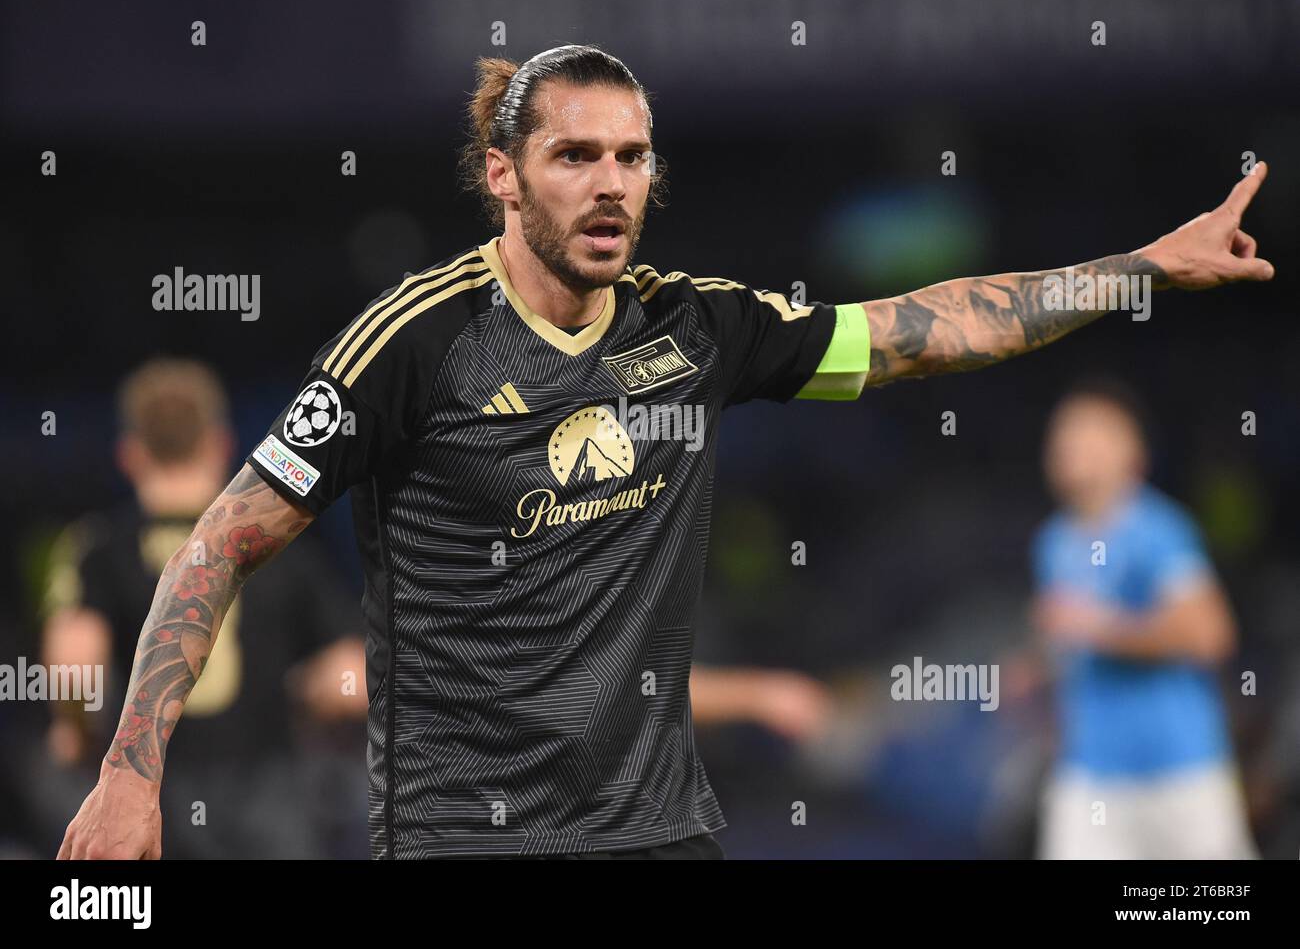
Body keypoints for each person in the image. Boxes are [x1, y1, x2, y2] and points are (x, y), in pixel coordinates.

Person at [59, 44, 1273, 860]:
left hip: (661, 831)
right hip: (466, 837)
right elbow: (219, 542)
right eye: (574, 156)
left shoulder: (695, 328)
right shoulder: (410, 345)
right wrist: (128, 768)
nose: (609, 186)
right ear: (502, 176)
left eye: (631, 158)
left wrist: (1139, 270)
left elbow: (924, 332)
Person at [44, 358, 365, 858]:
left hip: (155, 802)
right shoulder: (279, 547)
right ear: (221, 445)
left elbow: (72, 669)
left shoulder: (100, 549)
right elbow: (352, 679)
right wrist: (300, 692)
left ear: (130, 454)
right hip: (270, 804)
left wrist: (77, 736)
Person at [1030, 379, 1256, 858]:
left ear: (1129, 449)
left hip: (1178, 769)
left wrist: (1099, 628)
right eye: (1063, 434)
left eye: (1089, 432)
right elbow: (1070, 653)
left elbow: (1209, 634)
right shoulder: (1052, 543)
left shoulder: (1159, 530)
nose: (1070, 445)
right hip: (1090, 774)